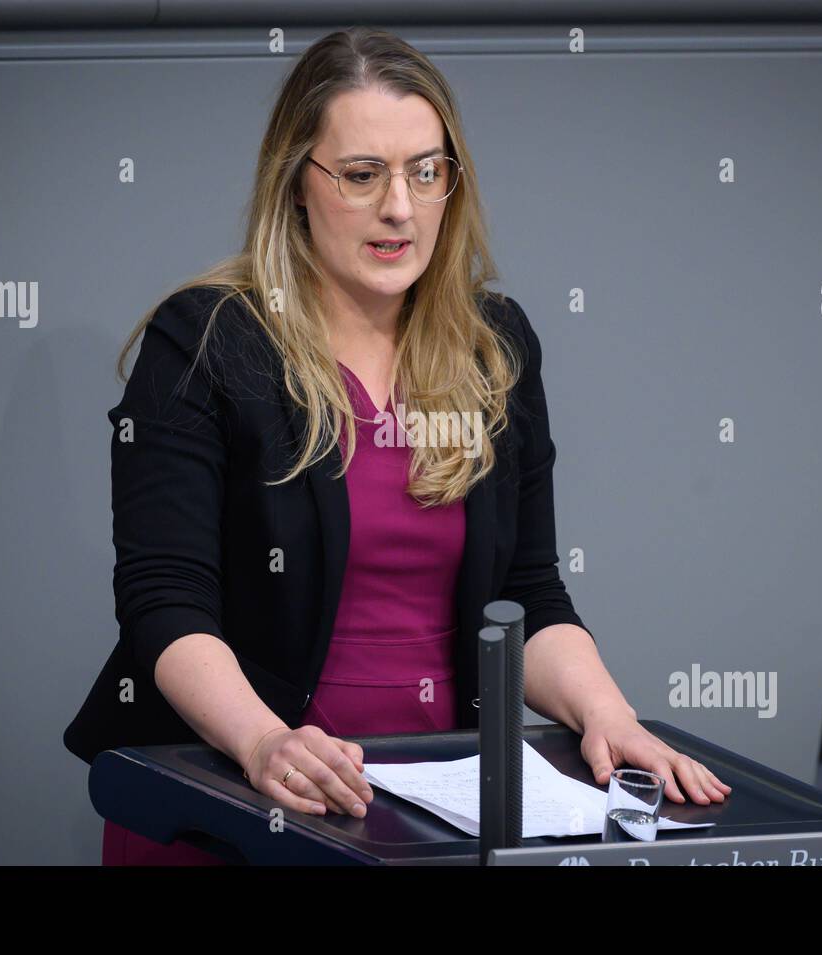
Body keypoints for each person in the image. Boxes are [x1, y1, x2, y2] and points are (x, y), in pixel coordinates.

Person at [64, 26, 730, 865]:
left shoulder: (496, 344)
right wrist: (267, 742)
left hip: (427, 814)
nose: (400, 208)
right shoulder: (207, 342)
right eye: (362, 174)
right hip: (235, 794)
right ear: (295, 184)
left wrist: (611, 714)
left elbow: (528, 593)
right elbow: (167, 601)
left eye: (426, 171)